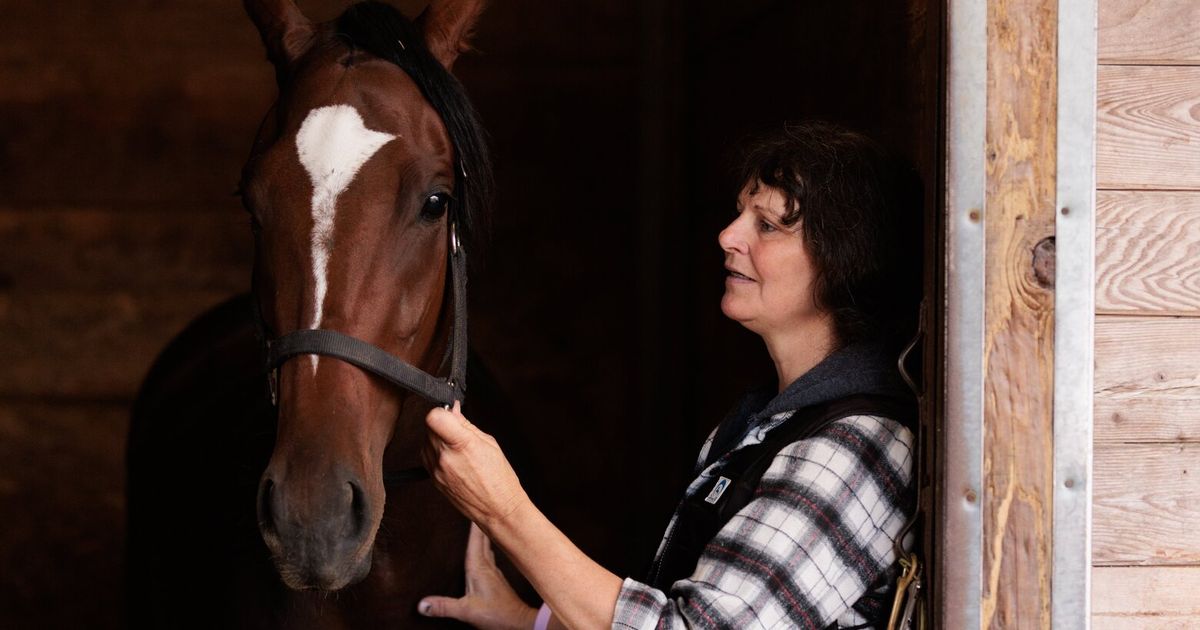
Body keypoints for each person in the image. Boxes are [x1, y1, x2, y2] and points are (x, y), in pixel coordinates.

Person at [418, 121, 921, 629]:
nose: (728, 235)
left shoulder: (853, 447)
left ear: (843, 260)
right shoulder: (769, 422)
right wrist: (531, 622)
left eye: (766, 224)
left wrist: (503, 509)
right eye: (740, 213)